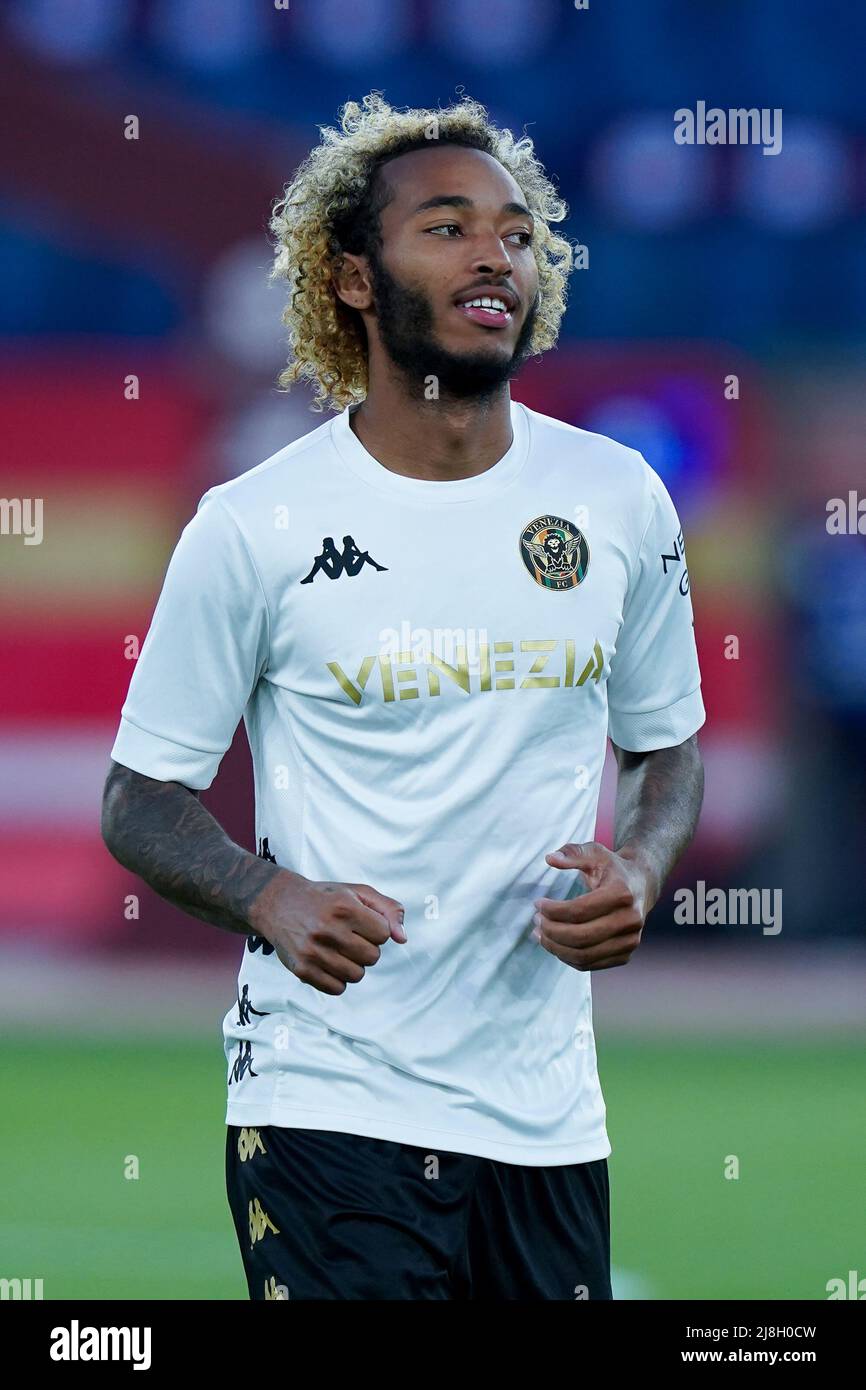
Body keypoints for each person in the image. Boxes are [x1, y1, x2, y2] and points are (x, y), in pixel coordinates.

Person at [101, 92, 705, 1301]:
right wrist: (266, 894)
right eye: (445, 226)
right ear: (351, 279)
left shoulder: (616, 496)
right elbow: (139, 796)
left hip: (547, 1117)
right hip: (327, 1101)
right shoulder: (255, 523)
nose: (494, 254)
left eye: (517, 233)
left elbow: (664, 747)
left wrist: (639, 867)